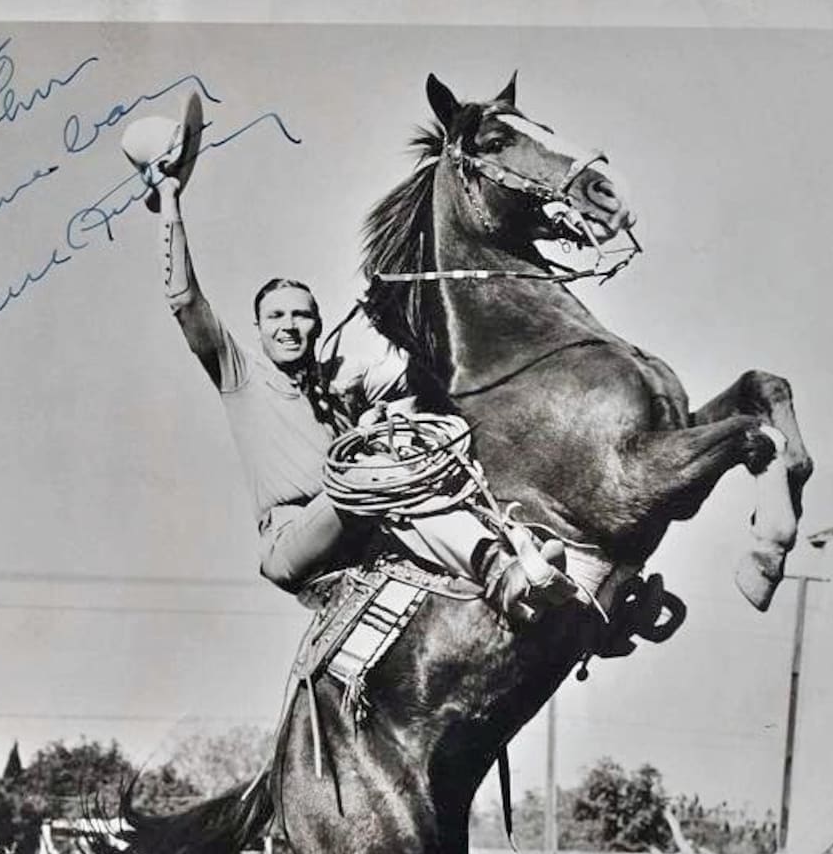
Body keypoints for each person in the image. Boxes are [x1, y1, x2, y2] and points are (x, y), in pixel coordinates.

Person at [121, 103, 577, 624]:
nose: (289, 326)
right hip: (294, 541)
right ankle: (497, 568)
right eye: (276, 316)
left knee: (430, 436)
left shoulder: (342, 378)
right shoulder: (241, 377)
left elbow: (430, 374)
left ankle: (554, 564)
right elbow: (185, 301)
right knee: (371, 469)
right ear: (259, 328)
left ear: (317, 326)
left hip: (365, 526)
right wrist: (170, 200)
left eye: (301, 315)